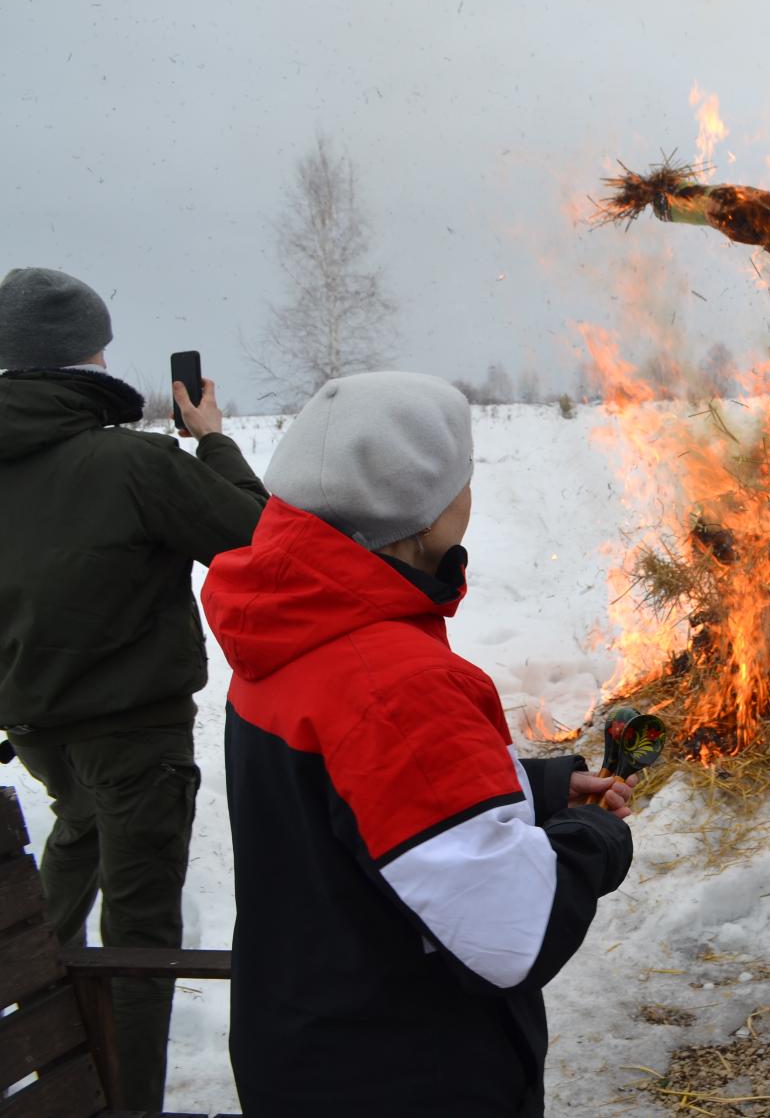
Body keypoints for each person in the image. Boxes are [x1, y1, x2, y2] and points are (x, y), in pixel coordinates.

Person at [201, 372, 634, 1117]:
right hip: (408, 1074)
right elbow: (511, 937)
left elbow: (349, 805)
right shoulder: (397, 682)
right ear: (429, 514)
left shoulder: (287, 627)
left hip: (306, 1053)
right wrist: (593, 838)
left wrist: (534, 789)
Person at [0, 266, 266, 1109]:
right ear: (95, 354)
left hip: (42, 736)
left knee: (71, 842)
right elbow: (260, 545)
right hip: (136, 741)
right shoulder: (130, 462)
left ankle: (36, 1052)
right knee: (141, 943)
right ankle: (126, 1104)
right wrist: (212, 440)